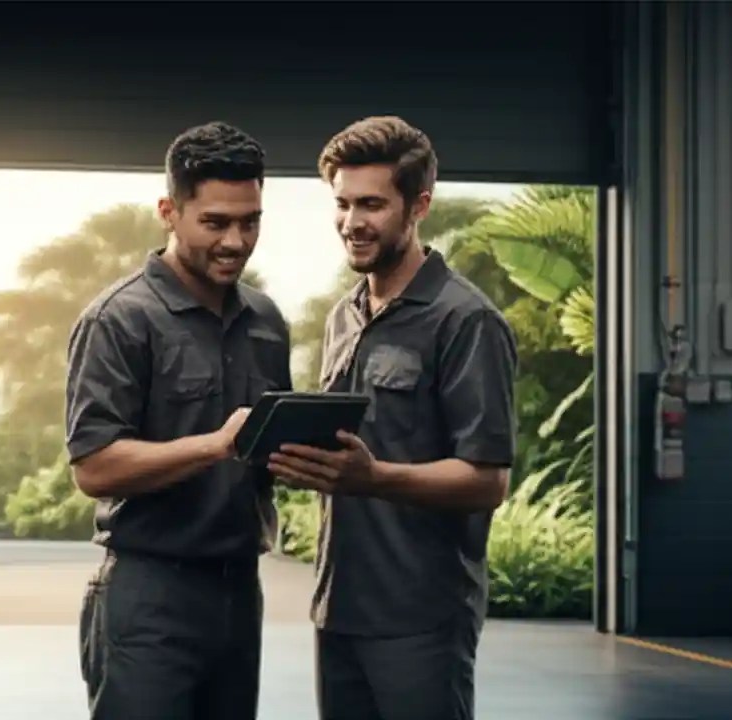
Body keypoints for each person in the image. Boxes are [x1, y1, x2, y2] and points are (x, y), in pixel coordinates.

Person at [268, 115, 518, 720]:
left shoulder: (466, 321)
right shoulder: (343, 316)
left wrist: (373, 477)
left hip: (422, 619)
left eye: (372, 204)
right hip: (339, 608)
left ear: (418, 205)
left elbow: (488, 481)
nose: (352, 223)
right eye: (343, 203)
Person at [64, 120, 291, 720]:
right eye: (215, 222)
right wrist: (213, 447)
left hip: (240, 592)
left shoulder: (267, 321)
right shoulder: (119, 320)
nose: (236, 240)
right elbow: (94, 466)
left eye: (251, 222)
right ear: (169, 210)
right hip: (148, 595)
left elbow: (264, 451)